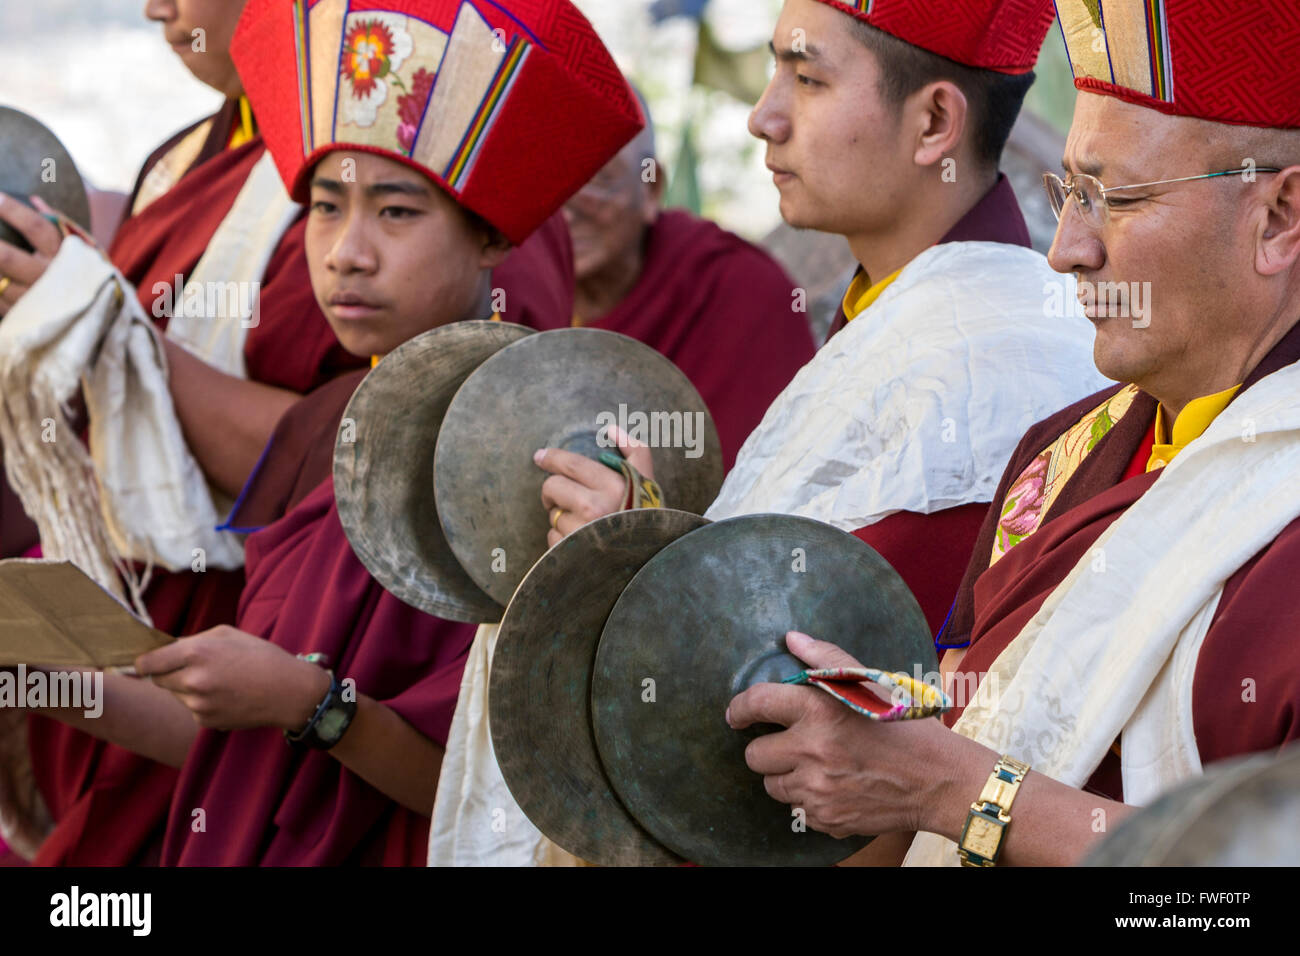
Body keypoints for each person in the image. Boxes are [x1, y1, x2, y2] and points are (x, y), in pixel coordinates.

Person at [429, 0, 1109, 866]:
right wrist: (639, 552)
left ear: (935, 121)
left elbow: (825, 731)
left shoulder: (987, 371)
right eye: (773, 71)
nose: (764, 115)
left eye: (808, 77)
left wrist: (618, 591)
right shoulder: (893, 316)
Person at [17, 0, 640, 866]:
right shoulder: (325, 436)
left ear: (493, 234)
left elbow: (500, 791)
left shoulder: (532, 461)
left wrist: (316, 704)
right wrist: (39, 674)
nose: (347, 252)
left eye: (395, 213)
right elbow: (241, 744)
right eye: (322, 206)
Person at [727, 0, 1300, 867]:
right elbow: (965, 724)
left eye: (1119, 199)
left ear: (1280, 217)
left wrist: (963, 792)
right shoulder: (1057, 455)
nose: (1069, 248)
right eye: (1070, 192)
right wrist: (875, 736)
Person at [521, 88, 816, 467]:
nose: (566, 209)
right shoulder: (510, 283)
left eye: (596, 178)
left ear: (650, 188)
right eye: (546, 180)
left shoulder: (736, 289)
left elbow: (756, 494)